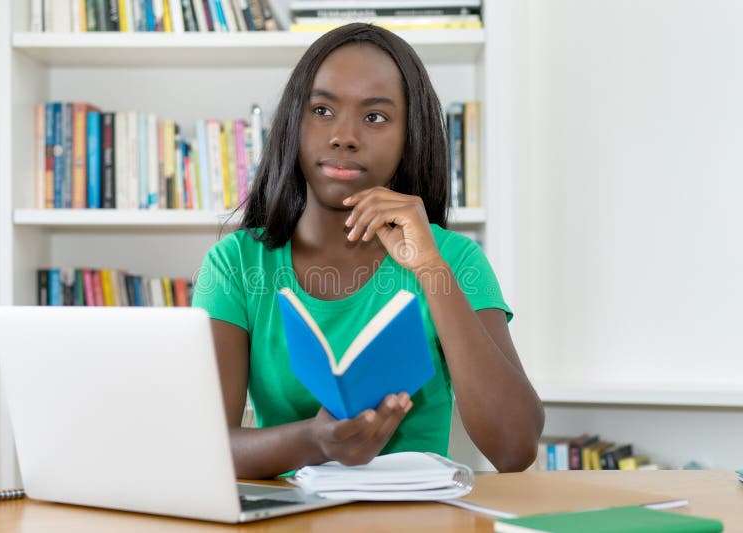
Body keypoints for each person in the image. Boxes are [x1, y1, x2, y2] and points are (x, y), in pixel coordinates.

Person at [192, 23, 544, 479]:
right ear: (293, 124)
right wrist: (315, 441)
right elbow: (206, 446)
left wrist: (430, 270)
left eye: (375, 117)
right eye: (321, 110)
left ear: (409, 136)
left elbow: (515, 448)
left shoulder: (455, 260)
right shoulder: (236, 264)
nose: (344, 136)